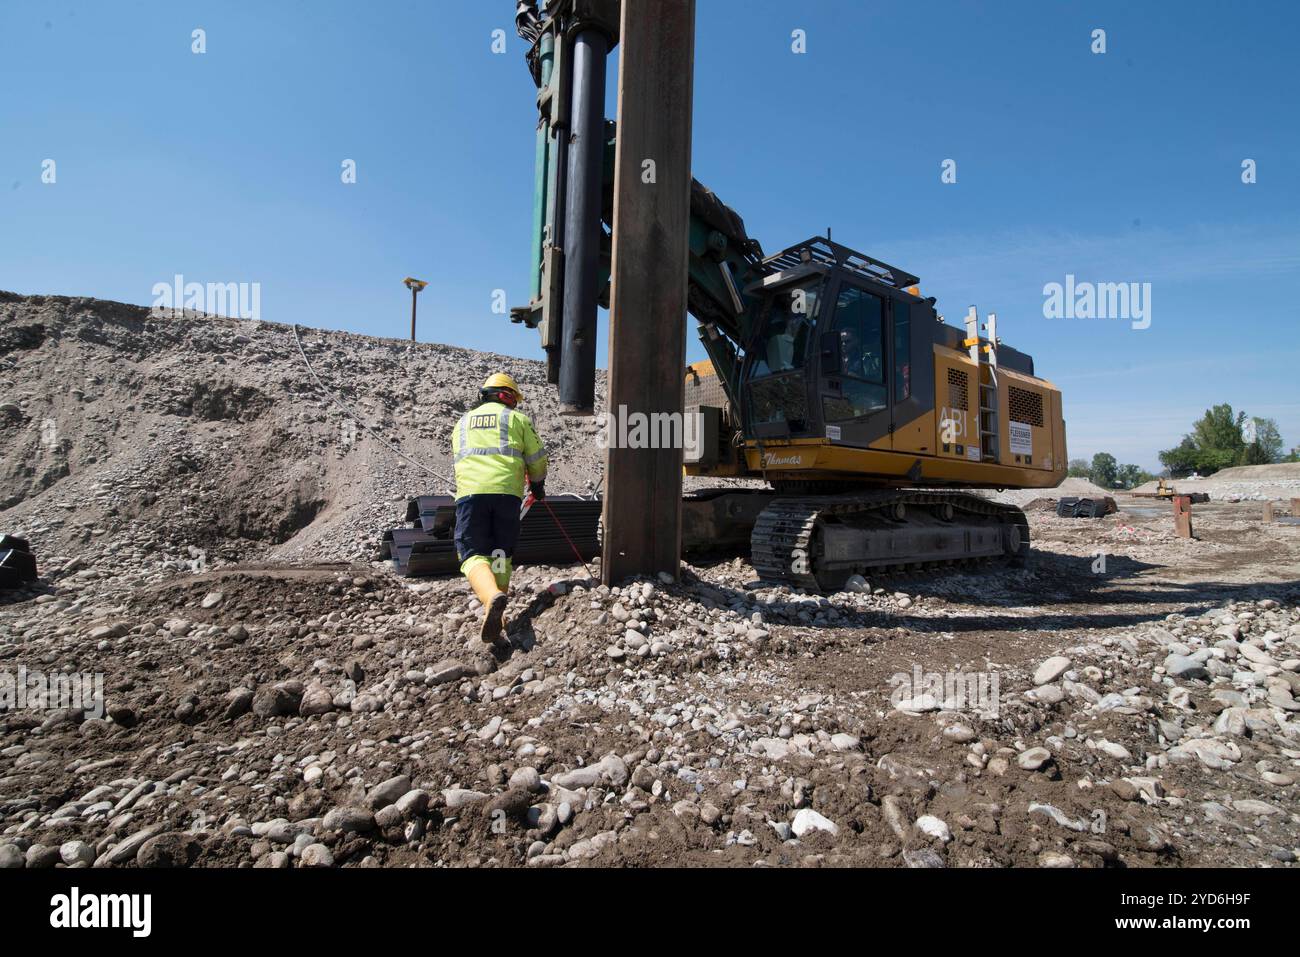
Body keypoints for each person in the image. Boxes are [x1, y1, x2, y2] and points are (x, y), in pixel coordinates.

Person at [450, 373, 548, 642]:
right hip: (507, 496)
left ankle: (491, 598)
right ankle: (497, 610)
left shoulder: (462, 423)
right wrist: (537, 485)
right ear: (507, 396)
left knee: (471, 554)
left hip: (471, 496)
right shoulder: (517, 420)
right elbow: (537, 459)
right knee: (500, 553)